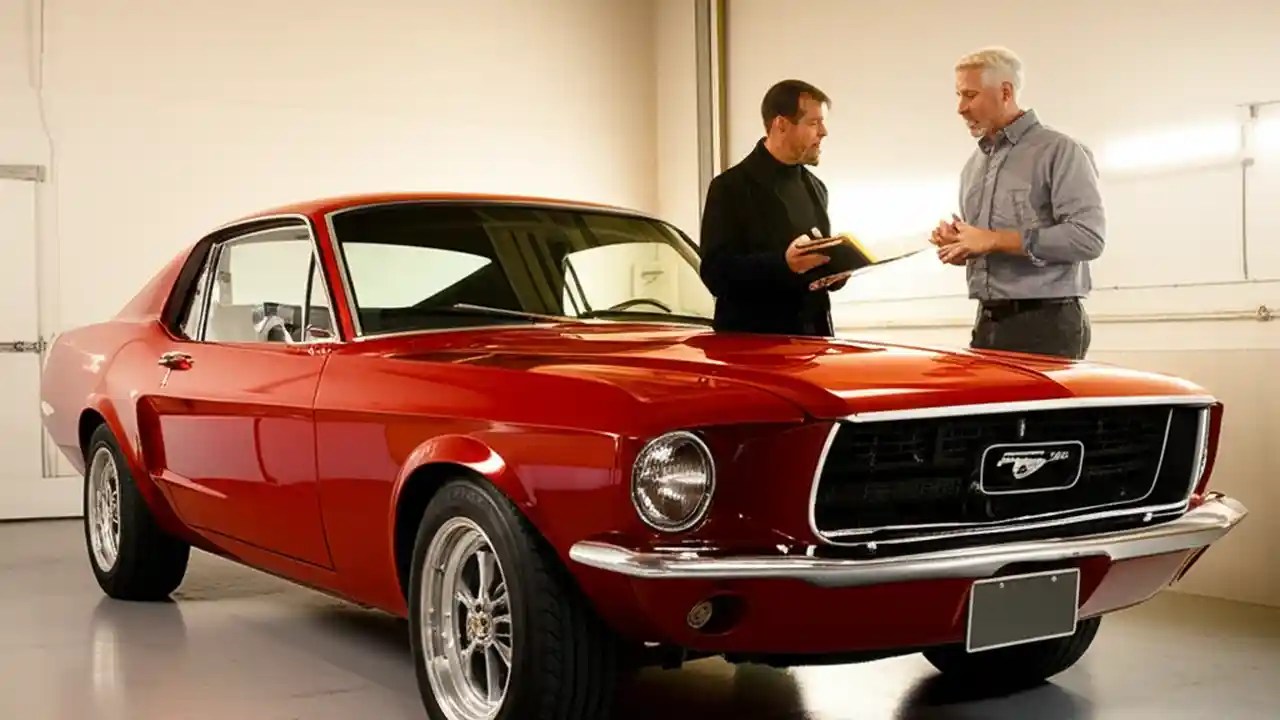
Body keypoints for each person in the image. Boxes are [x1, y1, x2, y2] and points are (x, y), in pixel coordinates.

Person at [931, 46, 1105, 359]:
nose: (960, 108)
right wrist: (961, 246)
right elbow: (987, 246)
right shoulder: (973, 167)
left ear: (1005, 92)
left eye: (970, 95)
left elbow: (1088, 238)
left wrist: (993, 239)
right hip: (988, 321)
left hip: (1048, 324)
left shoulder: (1060, 150)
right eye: (958, 95)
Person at [699, 79, 849, 337]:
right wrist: (783, 264)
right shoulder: (730, 187)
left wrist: (836, 271)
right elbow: (715, 273)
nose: (824, 132)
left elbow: (811, 274)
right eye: (814, 123)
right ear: (781, 124)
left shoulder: (817, 187)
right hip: (754, 348)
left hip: (814, 343)